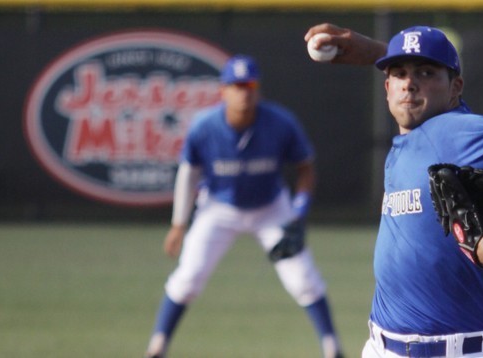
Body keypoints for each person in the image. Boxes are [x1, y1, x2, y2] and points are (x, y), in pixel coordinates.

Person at [304, 24, 483, 357]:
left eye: (426, 73)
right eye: (399, 73)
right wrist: (378, 52)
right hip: (382, 348)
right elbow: (418, 79)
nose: (409, 83)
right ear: (387, 87)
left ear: (456, 88)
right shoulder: (411, 136)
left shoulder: (455, 131)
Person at [144, 54, 344, 358]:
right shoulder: (204, 126)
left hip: (271, 208)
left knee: (303, 279)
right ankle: (157, 347)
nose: (244, 92)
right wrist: (178, 224)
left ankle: (333, 348)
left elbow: (305, 167)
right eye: (236, 86)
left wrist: (298, 213)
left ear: (258, 89)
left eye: (249, 85)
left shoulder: (280, 122)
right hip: (218, 209)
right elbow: (188, 174)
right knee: (188, 279)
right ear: (223, 91)